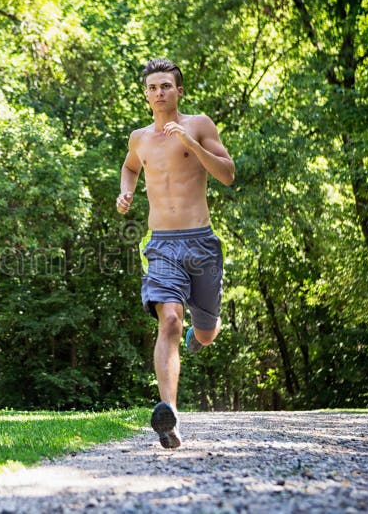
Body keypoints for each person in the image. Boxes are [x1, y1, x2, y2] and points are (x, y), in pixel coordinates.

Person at [116, 58, 235, 449]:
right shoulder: (139, 138)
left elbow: (227, 174)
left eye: (166, 86)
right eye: (152, 87)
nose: (159, 92)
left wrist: (190, 144)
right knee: (168, 320)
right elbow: (131, 167)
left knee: (206, 331)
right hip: (162, 244)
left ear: (178, 90)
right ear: (145, 93)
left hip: (201, 241)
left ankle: (199, 337)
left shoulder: (199, 125)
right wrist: (126, 190)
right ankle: (169, 416)